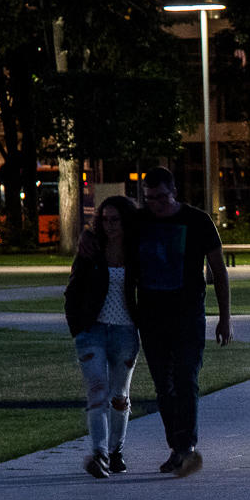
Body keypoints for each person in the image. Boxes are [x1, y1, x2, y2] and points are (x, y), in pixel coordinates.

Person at [131, 167, 231, 476]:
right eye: (149, 199)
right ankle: (177, 446)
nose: (156, 205)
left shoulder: (197, 221)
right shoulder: (140, 221)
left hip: (187, 314)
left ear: (174, 192)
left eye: (161, 198)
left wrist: (224, 318)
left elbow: (219, 270)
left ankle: (185, 447)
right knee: (164, 384)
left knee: (186, 377)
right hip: (151, 315)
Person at [65, 195, 141, 480]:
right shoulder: (91, 249)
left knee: (119, 396)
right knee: (97, 393)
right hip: (92, 332)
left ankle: (115, 451)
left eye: (115, 220)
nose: (109, 225)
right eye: (104, 219)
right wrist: (78, 327)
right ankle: (100, 454)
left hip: (125, 332)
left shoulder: (137, 251)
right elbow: (72, 290)